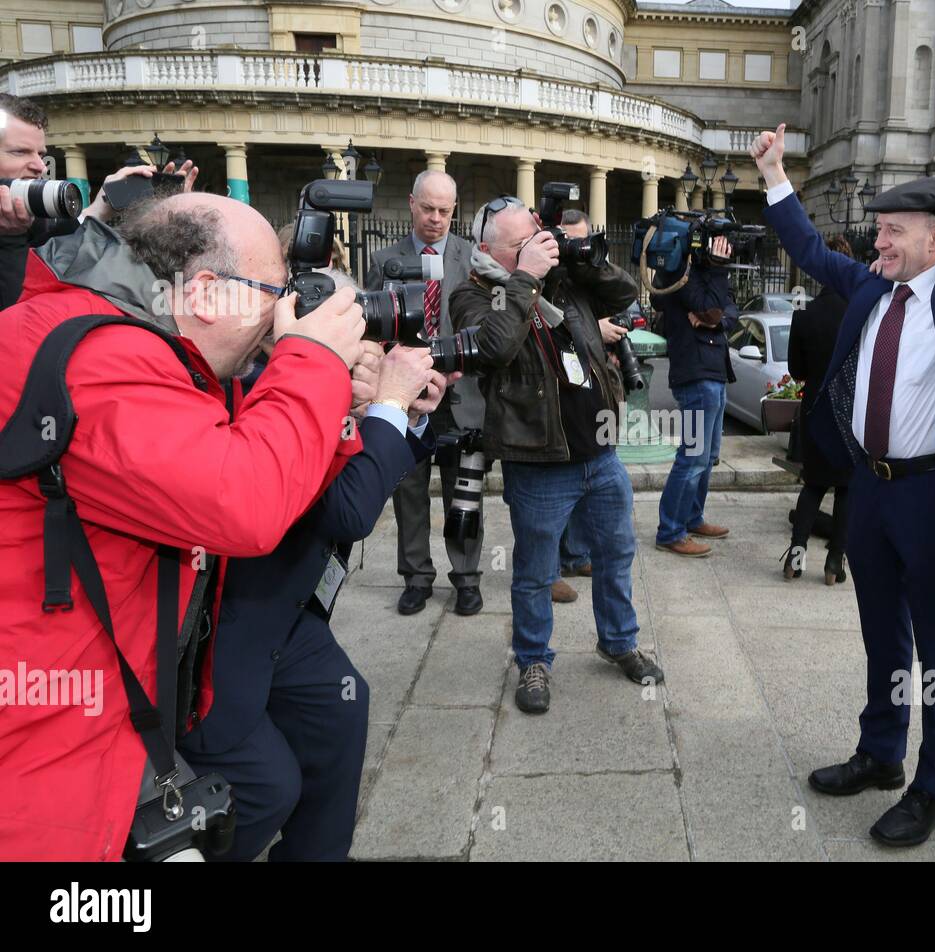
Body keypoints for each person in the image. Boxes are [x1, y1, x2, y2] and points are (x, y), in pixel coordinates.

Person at [0, 191, 366, 860]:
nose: (282, 317)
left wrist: (331, 399)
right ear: (205, 293)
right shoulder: (98, 357)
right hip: (40, 757)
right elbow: (244, 505)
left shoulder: (133, 339)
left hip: (93, 709)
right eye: (272, 294)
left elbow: (245, 453)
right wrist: (313, 363)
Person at [752, 123, 935, 847]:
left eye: (894, 232)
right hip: (870, 489)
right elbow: (810, 250)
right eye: (879, 229)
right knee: (881, 634)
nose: (879, 242)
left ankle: (931, 788)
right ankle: (881, 754)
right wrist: (774, 175)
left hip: (927, 495)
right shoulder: (868, 287)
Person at [179, 335, 453, 862]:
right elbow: (347, 510)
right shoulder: (258, 386)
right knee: (264, 788)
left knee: (342, 704)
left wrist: (399, 416)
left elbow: (361, 466)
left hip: (287, 608)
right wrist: (386, 404)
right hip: (226, 622)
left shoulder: (312, 380)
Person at [449, 199, 663, 714]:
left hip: (601, 452)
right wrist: (525, 277)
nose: (536, 248)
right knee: (536, 571)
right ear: (487, 251)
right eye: (519, 244)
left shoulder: (563, 278)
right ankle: (533, 660)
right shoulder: (472, 295)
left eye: (536, 237)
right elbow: (496, 348)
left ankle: (618, 642)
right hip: (539, 461)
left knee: (616, 555)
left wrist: (584, 257)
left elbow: (625, 293)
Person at [365, 170, 484, 617]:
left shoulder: (473, 259)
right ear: (412, 203)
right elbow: (371, 328)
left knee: (465, 493)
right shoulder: (384, 260)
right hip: (408, 396)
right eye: (428, 208)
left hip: (462, 397)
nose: (436, 218)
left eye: (446, 211)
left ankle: (467, 578)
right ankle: (416, 578)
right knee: (408, 491)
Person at [0, 93, 198, 309]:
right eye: (20, 152)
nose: (41, 166)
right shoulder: (15, 228)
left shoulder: (30, 219)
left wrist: (100, 208)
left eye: (40, 154)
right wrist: (10, 239)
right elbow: (20, 320)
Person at [651, 230, 739, 558]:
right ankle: (670, 530)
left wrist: (714, 322)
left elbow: (729, 312)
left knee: (708, 456)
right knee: (692, 457)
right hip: (695, 375)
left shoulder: (706, 275)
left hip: (714, 373)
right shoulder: (681, 273)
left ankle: (692, 517)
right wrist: (716, 270)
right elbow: (714, 307)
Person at [550, 208, 622, 603]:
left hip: (597, 390)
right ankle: (547, 570)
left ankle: (575, 554)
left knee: (590, 474)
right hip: (557, 403)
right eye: (568, 240)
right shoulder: (543, 277)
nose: (576, 249)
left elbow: (623, 294)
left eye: (582, 240)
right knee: (554, 490)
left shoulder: (587, 273)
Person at [783, 232, 854, 585]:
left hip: (815, 409)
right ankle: (834, 564)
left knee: (813, 485)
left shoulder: (806, 313)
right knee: (846, 489)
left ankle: (796, 557)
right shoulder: (861, 312)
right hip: (851, 410)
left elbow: (796, 371)